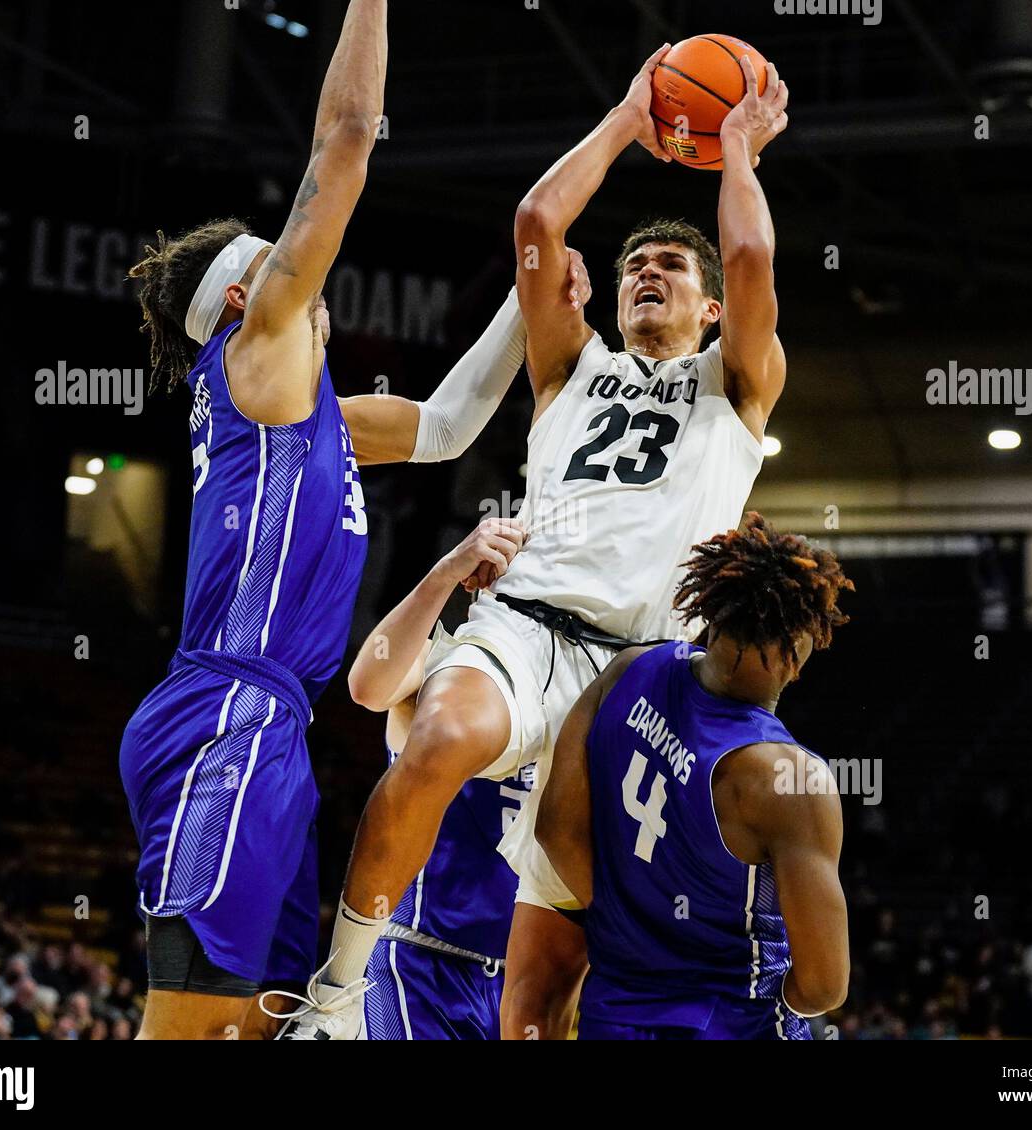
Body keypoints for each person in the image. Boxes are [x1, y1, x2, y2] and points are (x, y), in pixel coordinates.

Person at [118, 0, 584, 1040]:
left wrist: (536, 259)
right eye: (275, 261)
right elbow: (343, 146)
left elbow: (456, 421)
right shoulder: (257, 358)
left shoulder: (313, 414)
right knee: (187, 1026)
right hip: (224, 717)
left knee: (252, 1026)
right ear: (245, 301)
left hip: (270, 723)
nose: (302, 271)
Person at [309, 45, 793, 1040]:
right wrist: (626, 115)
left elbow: (748, 259)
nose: (647, 273)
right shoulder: (569, 367)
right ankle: (334, 994)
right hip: (524, 626)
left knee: (552, 994)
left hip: (636, 676)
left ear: (709, 312)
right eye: (633, 268)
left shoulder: (734, 389)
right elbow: (538, 221)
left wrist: (736, 149)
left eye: (670, 267)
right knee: (437, 735)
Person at [536, 515, 852, 1039]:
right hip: (732, 1021)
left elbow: (554, 829)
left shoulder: (628, 669)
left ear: (710, 611)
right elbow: (823, 987)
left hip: (614, 1012)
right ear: (799, 651)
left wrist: (632, 928)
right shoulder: (792, 780)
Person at [264, 516, 535, 1039]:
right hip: (419, 961)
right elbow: (367, 685)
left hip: (524, 979)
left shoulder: (575, 691)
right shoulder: (447, 669)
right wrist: (446, 571)